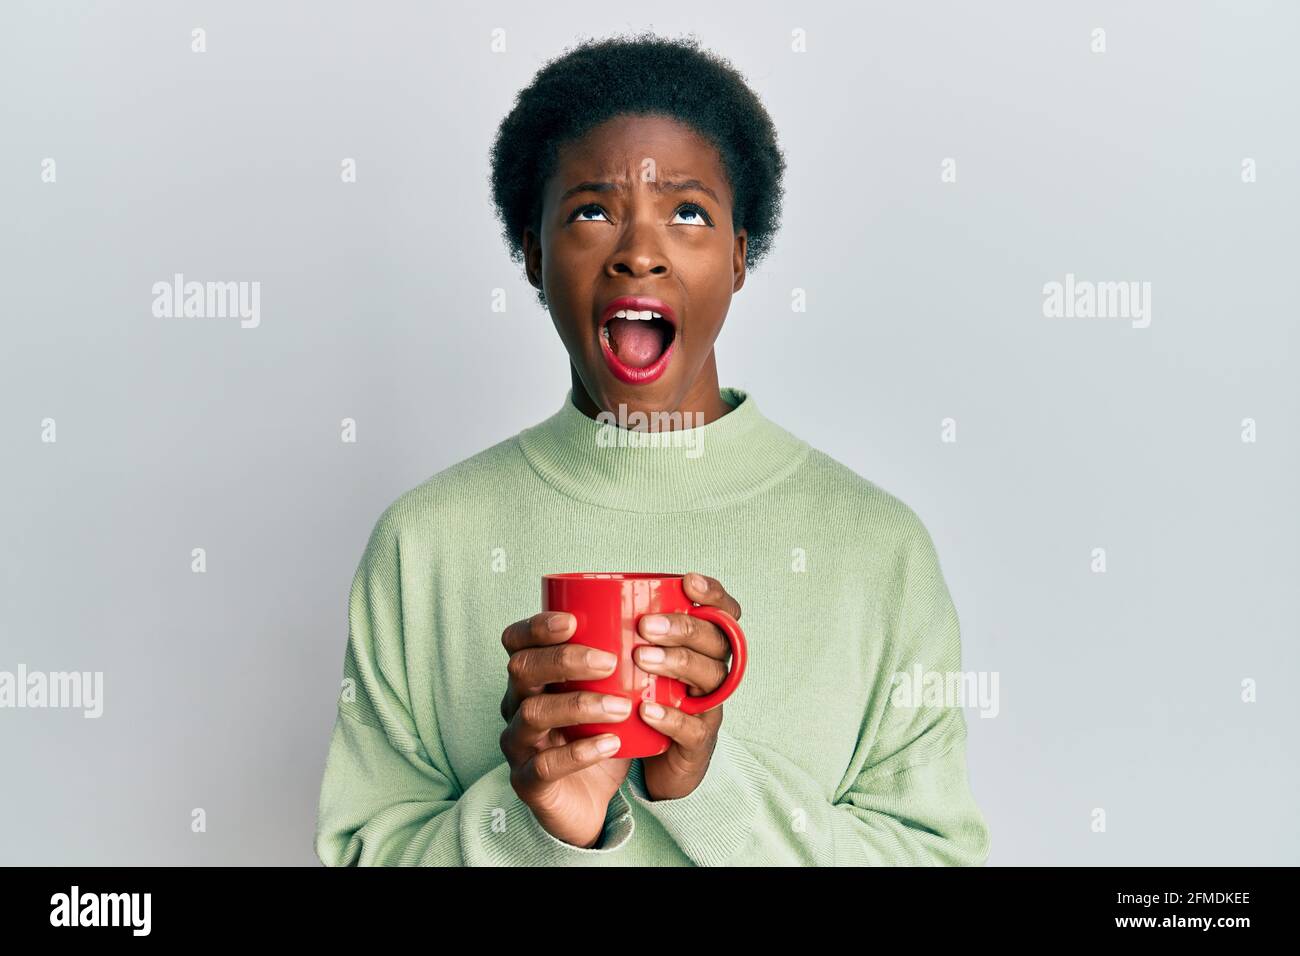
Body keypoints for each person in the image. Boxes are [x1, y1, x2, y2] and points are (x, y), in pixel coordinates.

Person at [313, 31, 992, 866]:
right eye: (592, 211)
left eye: (689, 213)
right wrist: (534, 820)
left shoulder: (880, 550)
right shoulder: (420, 545)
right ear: (531, 254)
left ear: (741, 258)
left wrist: (709, 785)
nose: (640, 251)